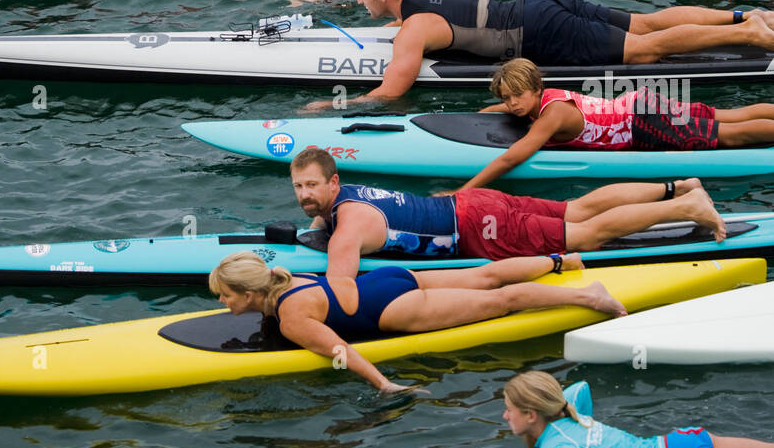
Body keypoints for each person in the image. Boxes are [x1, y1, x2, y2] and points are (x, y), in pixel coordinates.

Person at [302, 0, 774, 111]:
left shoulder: (413, 30)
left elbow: (393, 91)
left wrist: (335, 103)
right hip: (540, 2)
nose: (360, 2)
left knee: (647, 51)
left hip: (538, 31)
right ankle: (743, 18)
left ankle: (753, 36)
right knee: (646, 22)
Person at [208, 250, 626, 394]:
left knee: (501, 300)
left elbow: (342, 351)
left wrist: (384, 384)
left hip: (398, 309)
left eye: (225, 295)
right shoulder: (282, 277)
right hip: (387, 279)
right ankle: (559, 261)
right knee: (488, 274)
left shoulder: (291, 317)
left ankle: (590, 297)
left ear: (249, 294)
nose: (223, 302)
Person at [288, 146, 729, 276]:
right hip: (476, 204)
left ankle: (687, 205)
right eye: (298, 187)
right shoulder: (346, 198)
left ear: (332, 184)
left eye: (312, 186)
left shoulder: (347, 230)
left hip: (478, 230)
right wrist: (314, 222)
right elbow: (325, 217)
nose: (305, 194)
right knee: (575, 210)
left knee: (588, 235)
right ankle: (677, 186)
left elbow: (341, 289)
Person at [466, 56, 774, 188]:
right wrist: (492, 111)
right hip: (638, 102)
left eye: (517, 95)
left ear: (536, 88)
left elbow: (513, 157)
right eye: (507, 98)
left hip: (645, 123)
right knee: (724, 114)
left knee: (730, 135)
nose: (512, 104)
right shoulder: (543, 100)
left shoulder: (552, 114)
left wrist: (465, 190)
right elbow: (510, 107)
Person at [503, 372, 774, 448]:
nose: (504, 416)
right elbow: (581, 387)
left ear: (530, 415)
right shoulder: (570, 412)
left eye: (509, 409)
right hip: (685, 440)